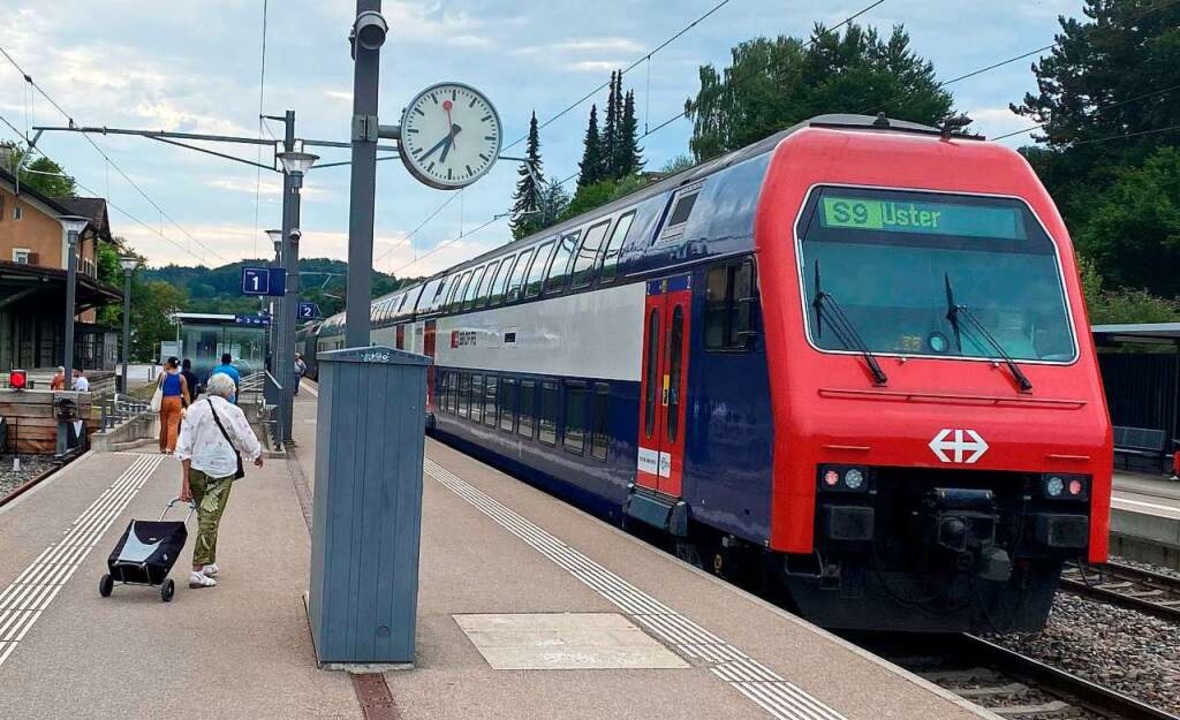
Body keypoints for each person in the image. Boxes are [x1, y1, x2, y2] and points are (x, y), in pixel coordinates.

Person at [175, 372, 263, 589]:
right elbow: (245, 436)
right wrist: (256, 454)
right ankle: (197, 571)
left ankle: (208, 562)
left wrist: (185, 482)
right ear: (230, 392)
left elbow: (184, 447)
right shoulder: (233, 411)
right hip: (222, 471)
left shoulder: (193, 409)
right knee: (210, 518)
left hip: (196, 469)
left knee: (205, 516)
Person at [156, 357, 190, 454]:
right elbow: (185, 392)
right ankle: (170, 447)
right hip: (176, 400)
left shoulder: (163, 375)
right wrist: (188, 404)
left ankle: (162, 446)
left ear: (169, 364)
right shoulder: (181, 378)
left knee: (164, 424)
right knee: (173, 424)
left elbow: (158, 385)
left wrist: (164, 370)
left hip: (165, 400)